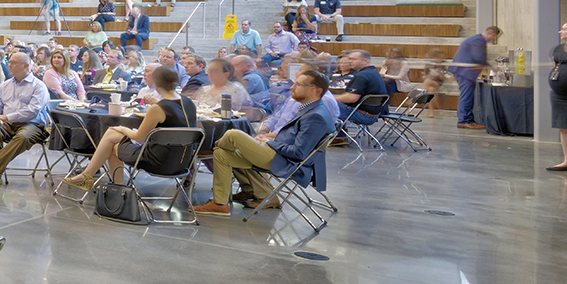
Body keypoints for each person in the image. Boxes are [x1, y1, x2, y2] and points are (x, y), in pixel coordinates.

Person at [193, 68, 334, 214]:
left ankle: (205, 149)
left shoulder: (315, 116)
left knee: (233, 134)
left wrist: (269, 142)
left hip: (283, 160)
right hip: (277, 153)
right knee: (221, 154)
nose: (292, 87)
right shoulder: (310, 109)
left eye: (297, 84)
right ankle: (220, 204)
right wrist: (268, 138)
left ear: (313, 90)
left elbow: (298, 152)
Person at [62, 65, 194, 189]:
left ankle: (108, 184)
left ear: (156, 82)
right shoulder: (189, 103)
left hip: (157, 161)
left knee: (112, 138)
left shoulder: (158, 108)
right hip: (182, 162)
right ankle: (93, 177)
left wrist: (122, 128)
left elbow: (139, 136)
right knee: (112, 140)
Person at [0, 51, 51, 185]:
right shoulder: (5, 85)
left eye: (14, 63)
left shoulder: (39, 86)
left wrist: (5, 117)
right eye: (10, 62)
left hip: (33, 125)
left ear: (26, 66)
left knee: (23, 137)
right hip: (8, 123)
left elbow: (32, 111)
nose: (10, 65)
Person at [449, 26, 500, 129]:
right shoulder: (478, 40)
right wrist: (491, 67)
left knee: (468, 96)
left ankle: (468, 119)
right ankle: (464, 120)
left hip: (465, 72)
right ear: (493, 35)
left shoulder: (476, 39)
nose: (493, 40)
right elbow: (478, 57)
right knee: (466, 96)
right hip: (464, 72)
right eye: (495, 38)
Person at [547, 22, 567, 171]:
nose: (560, 32)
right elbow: (554, 65)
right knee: (565, 127)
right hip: (560, 95)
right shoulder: (559, 49)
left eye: (564, 29)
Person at [335, 50, 387, 128]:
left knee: (325, 104)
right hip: (374, 114)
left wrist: (331, 97)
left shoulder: (362, 76)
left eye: (353, 59)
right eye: (349, 59)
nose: (350, 61)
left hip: (363, 115)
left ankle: (336, 138)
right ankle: (339, 137)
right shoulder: (373, 72)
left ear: (365, 61)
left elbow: (352, 98)